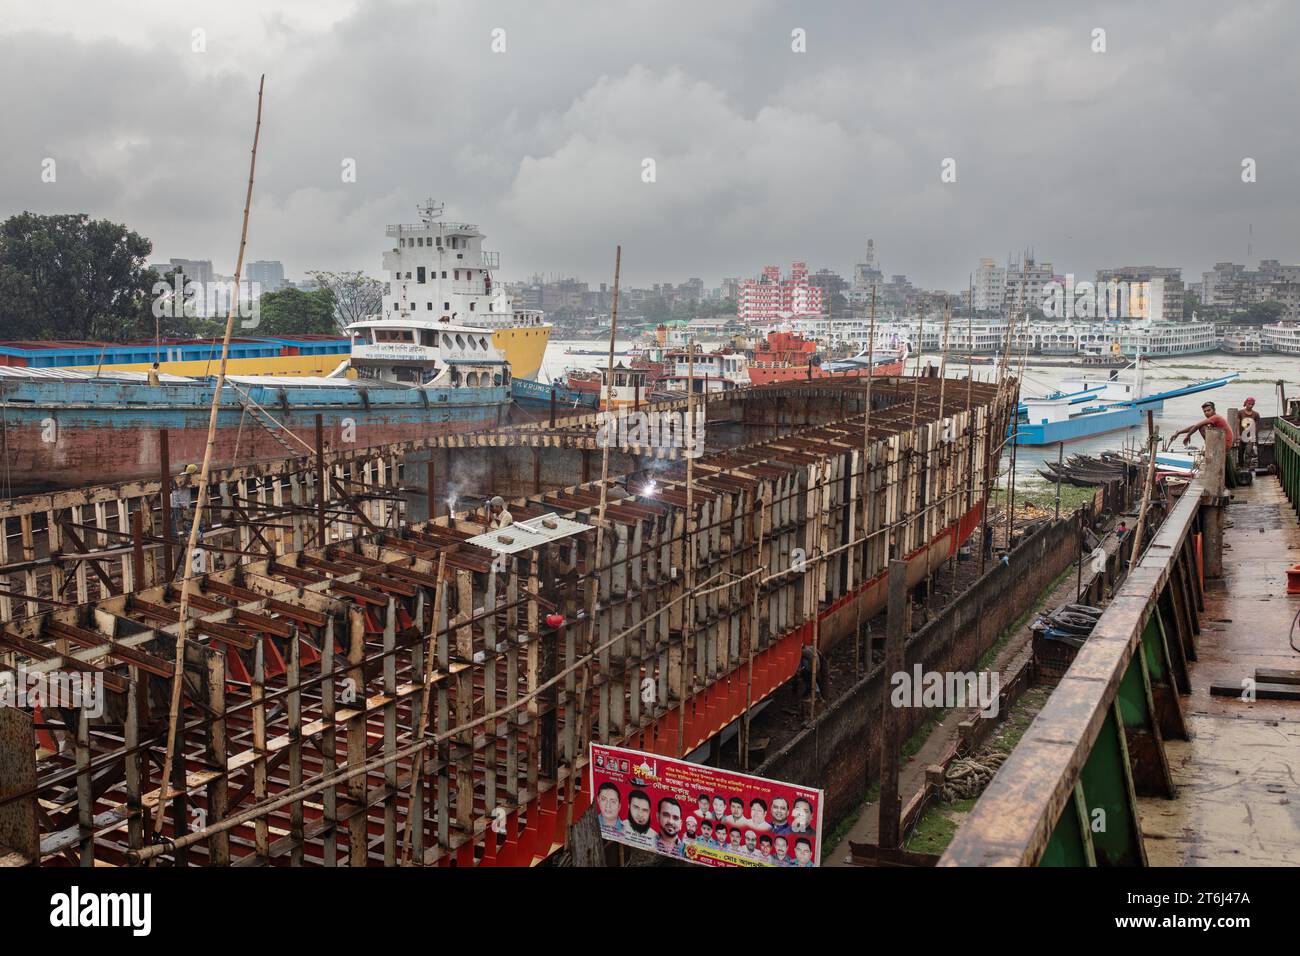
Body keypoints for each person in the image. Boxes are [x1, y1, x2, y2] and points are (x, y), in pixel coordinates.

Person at [1168, 401, 1236, 487]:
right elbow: (1194, 426)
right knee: (1202, 427)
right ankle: (1210, 448)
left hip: (1224, 445)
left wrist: (1188, 435)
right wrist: (1179, 433)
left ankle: (1210, 448)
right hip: (1221, 444)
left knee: (1201, 427)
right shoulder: (1212, 419)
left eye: (1209, 410)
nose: (1207, 413)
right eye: (1205, 411)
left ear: (1214, 410)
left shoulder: (1216, 417)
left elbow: (1196, 426)